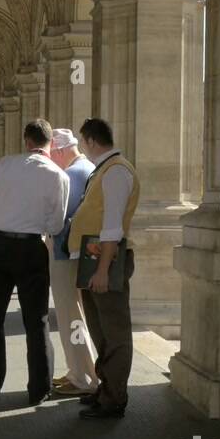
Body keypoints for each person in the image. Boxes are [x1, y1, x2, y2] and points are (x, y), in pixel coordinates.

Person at [0, 120, 69, 406]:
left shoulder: (5, 165)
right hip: (32, 247)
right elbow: (55, 225)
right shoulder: (59, 175)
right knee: (37, 320)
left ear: (26, 140)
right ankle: (39, 390)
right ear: (49, 144)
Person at [67, 118, 141, 419]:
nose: (84, 149)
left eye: (84, 143)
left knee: (114, 330)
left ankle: (114, 398)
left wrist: (102, 269)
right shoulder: (106, 170)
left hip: (104, 259)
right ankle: (106, 387)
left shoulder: (116, 172)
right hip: (95, 258)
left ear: (92, 141)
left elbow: (112, 226)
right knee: (100, 329)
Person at [48, 129, 99, 396]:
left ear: (58, 150)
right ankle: (80, 372)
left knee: (70, 313)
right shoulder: (86, 168)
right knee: (75, 313)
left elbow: (57, 215)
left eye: (51, 153)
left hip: (65, 252)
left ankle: (82, 377)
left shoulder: (72, 174)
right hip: (77, 251)